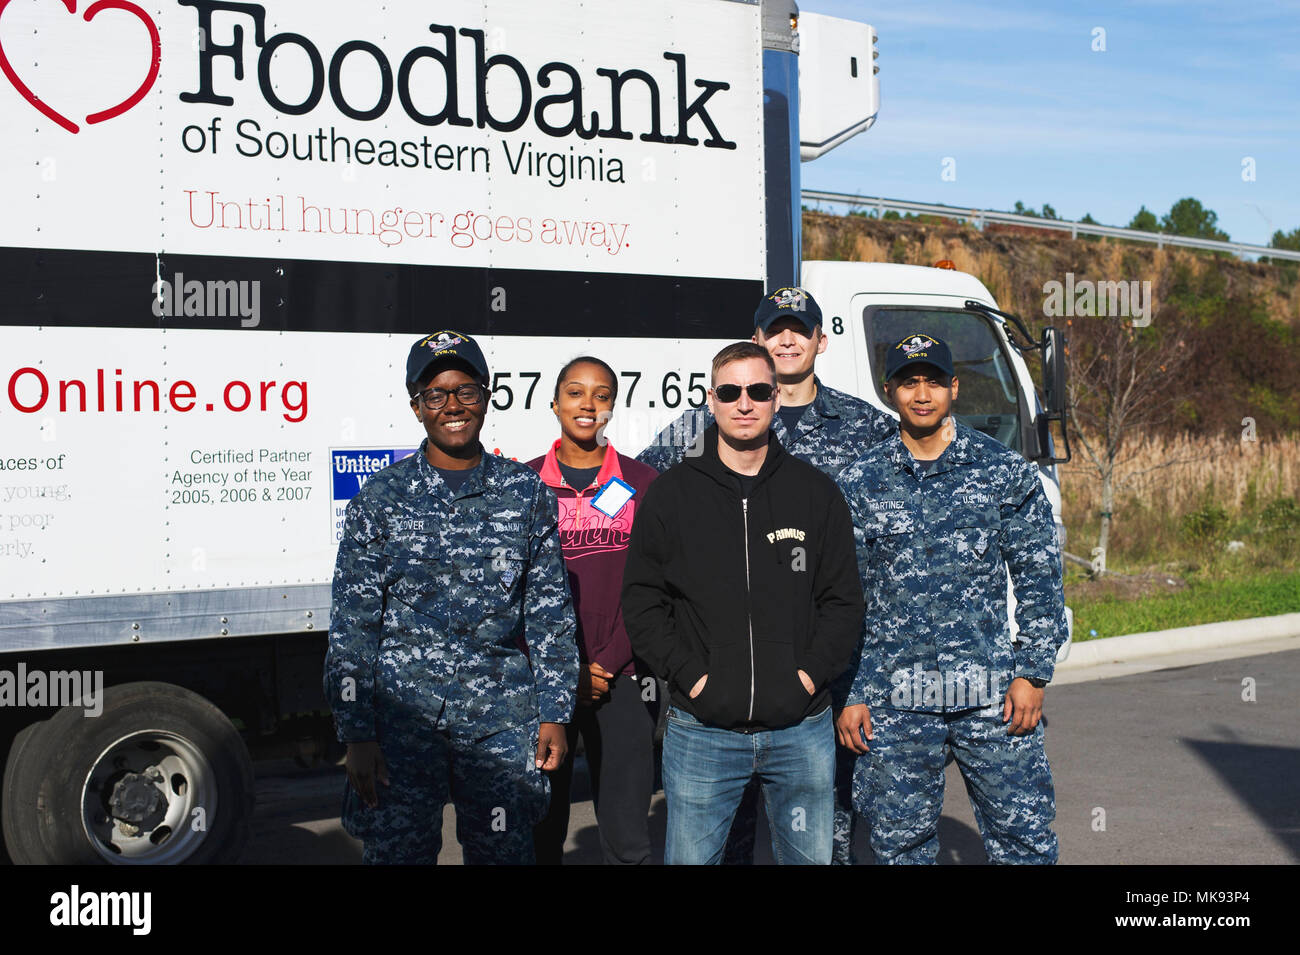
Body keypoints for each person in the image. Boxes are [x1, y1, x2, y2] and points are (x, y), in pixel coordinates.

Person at [638, 286, 894, 865]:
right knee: (724, 848)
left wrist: (826, 678)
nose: (787, 338)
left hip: (824, 683)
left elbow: (877, 566)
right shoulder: (699, 431)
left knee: (824, 842)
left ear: (819, 341)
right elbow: (641, 500)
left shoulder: (865, 429)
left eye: (799, 329)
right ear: (756, 339)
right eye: (775, 328)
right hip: (716, 701)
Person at [324, 329, 579, 865]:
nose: (453, 406)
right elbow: (353, 627)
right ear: (417, 407)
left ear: (486, 399)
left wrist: (555, 711)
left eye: (466, 391)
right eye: (436, 395)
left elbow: (549, 612)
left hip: (500, 723)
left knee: (504, 855)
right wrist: (356, 733)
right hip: (401, 727)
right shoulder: (380, 500)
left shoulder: (525, 492)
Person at [835, 333, 1067, 864]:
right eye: (909, 382)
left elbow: (1039, 577)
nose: (922, 394)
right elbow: (846, 598)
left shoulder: (1001, 470)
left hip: (990, 694)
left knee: (1024, 841)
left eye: (934, 381)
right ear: (890, 390)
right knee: (900, 849)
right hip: (896, 700)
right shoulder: (861, 482)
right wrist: (851, 691)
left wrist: (1032, 673)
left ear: (954, 388)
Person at [527, 356, 660, 865]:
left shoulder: (642, 482)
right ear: (555, 402)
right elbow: (513, 592)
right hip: (543, 684)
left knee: (626, 838)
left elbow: (652, 585)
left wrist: (607, 661)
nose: (588, 404)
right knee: (541, 833)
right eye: (576, 393)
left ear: (612, 407)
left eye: (601, 394)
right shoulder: (522, 484)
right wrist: (565, 669)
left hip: (622, 678)